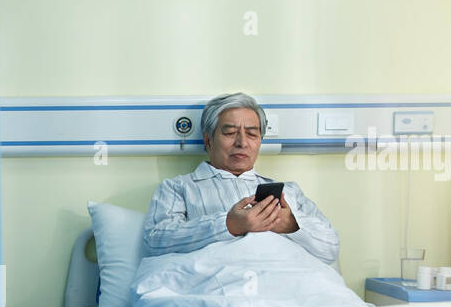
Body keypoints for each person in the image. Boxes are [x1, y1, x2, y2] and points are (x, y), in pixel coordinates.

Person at [143, 91, 340, 265]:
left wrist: (292, 225)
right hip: (214, 287)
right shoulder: (178, 188)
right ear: (208, 140)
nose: (242, 143)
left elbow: (330, 248)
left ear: (260, 141)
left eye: (252, 134)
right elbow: (155, 242)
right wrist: (228, 225)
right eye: (230, 133)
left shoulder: (289, 192)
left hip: (286, 284)